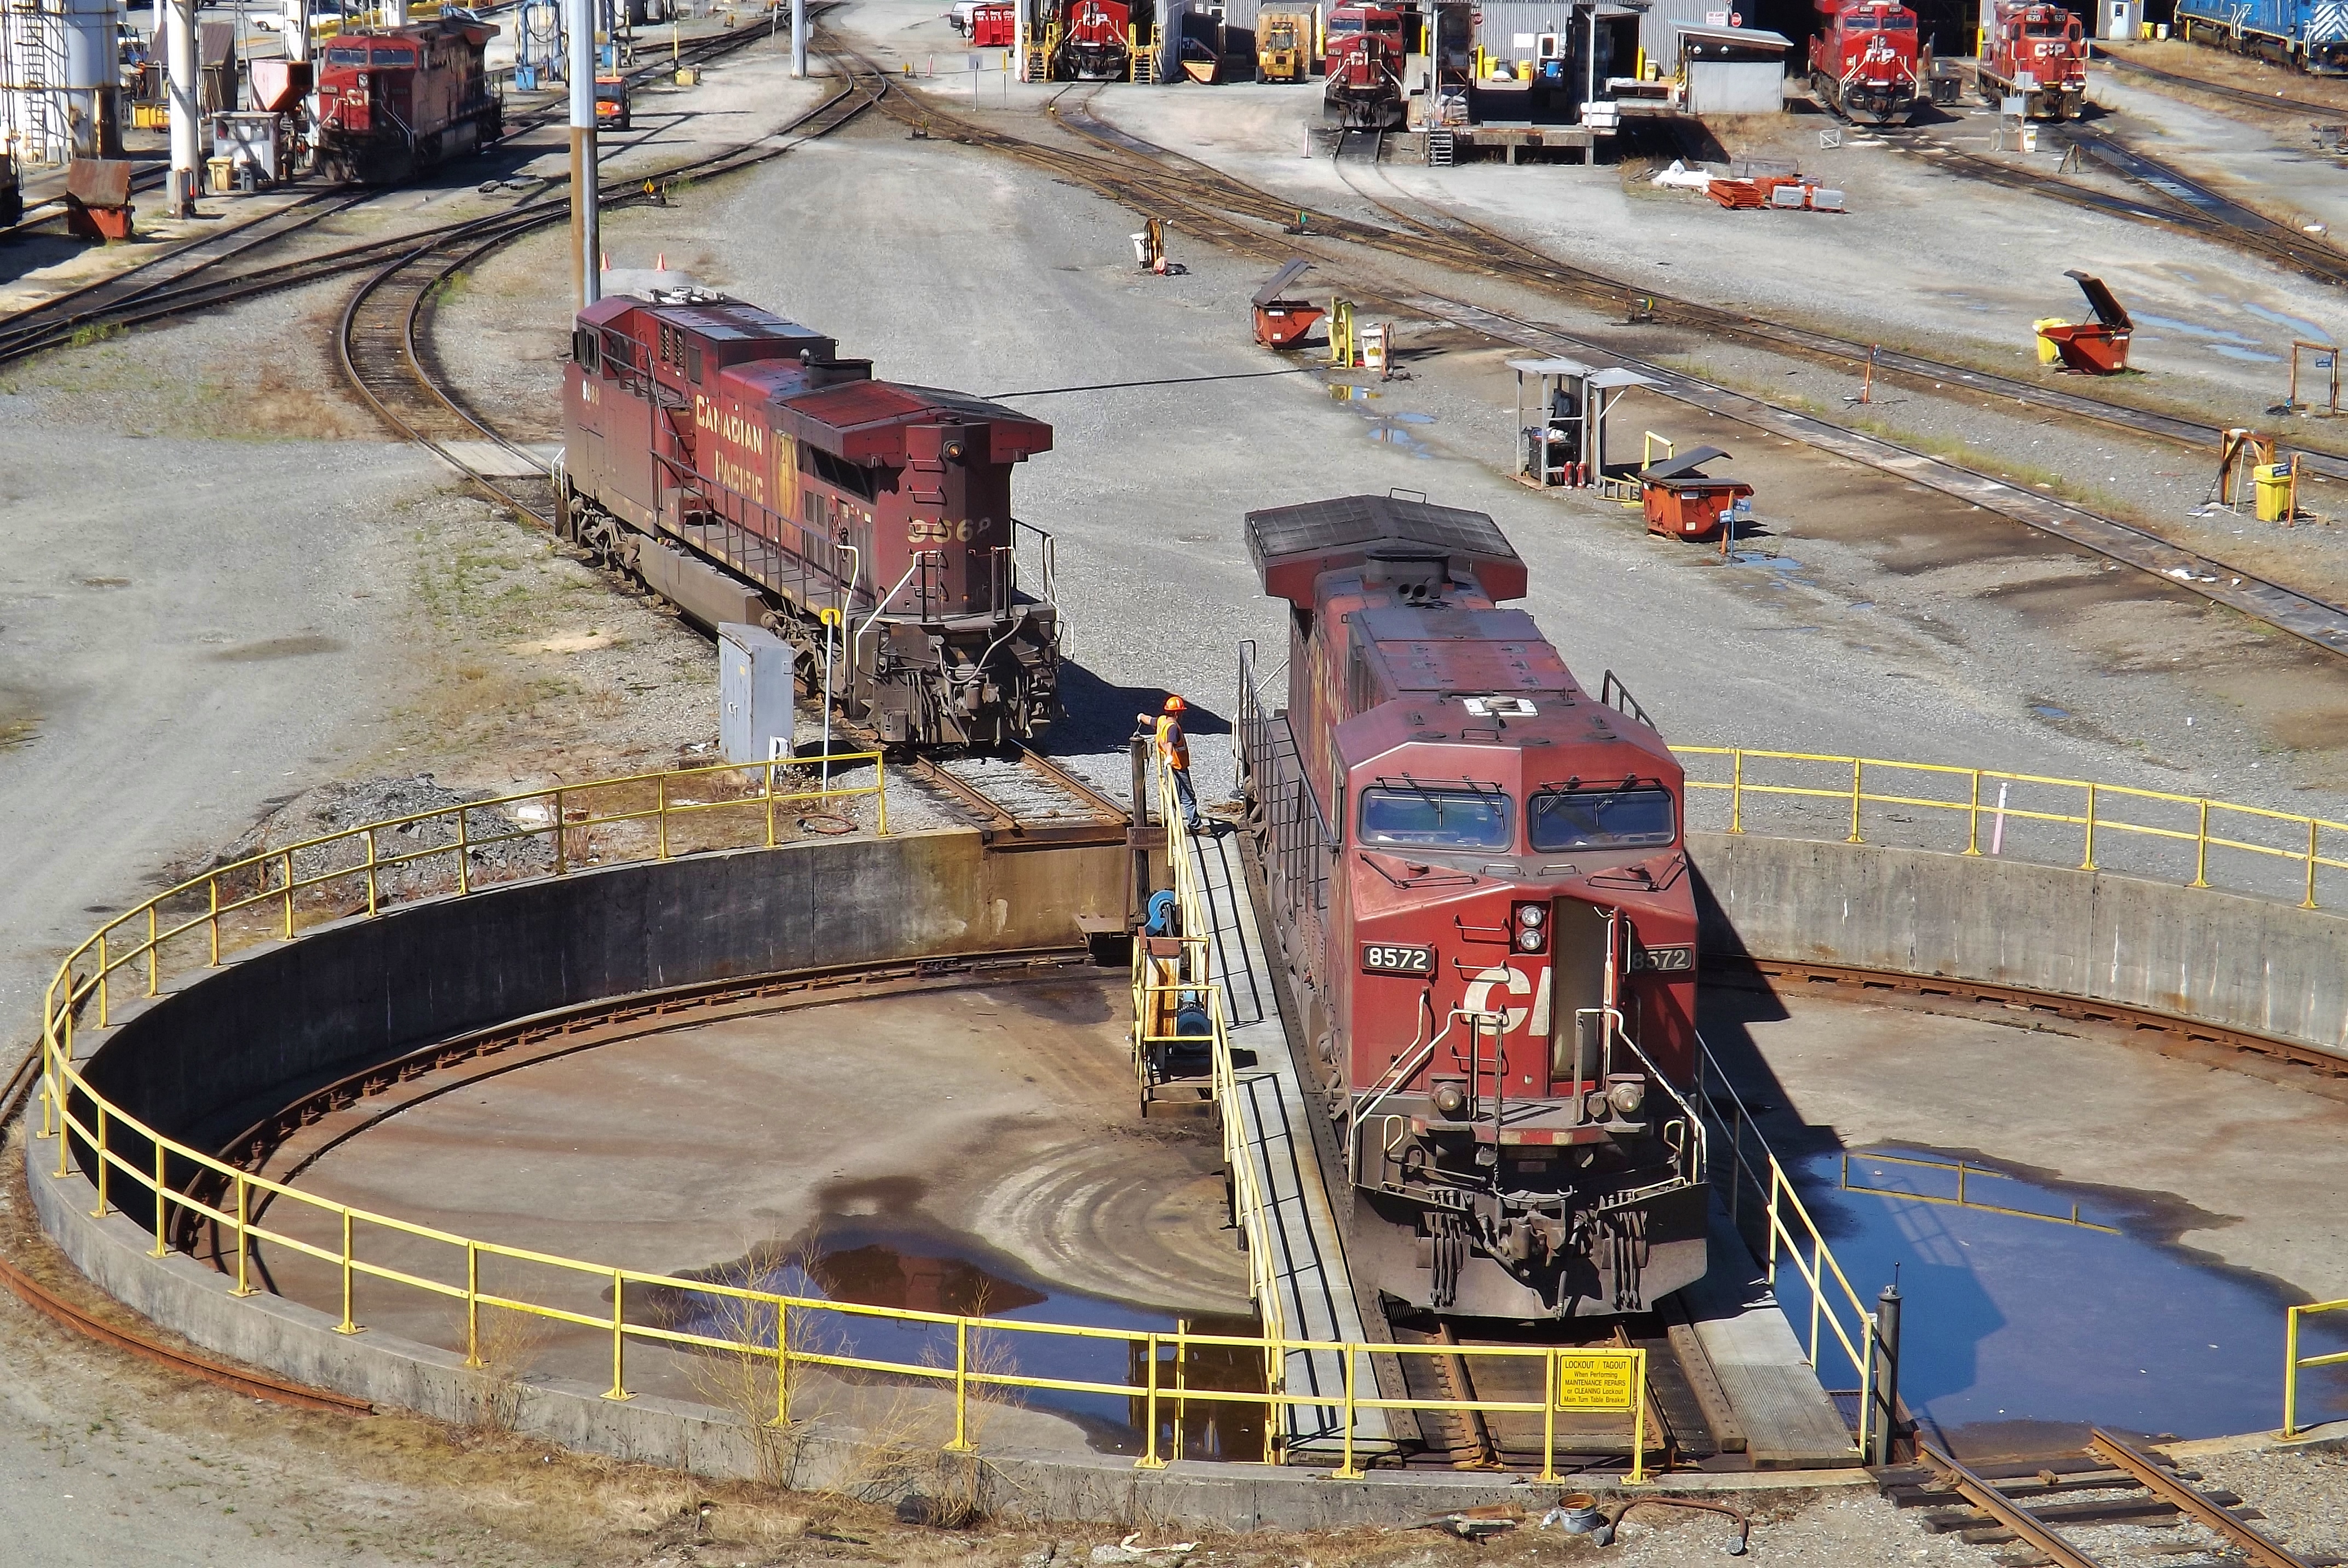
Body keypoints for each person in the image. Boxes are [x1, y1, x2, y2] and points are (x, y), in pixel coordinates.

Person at [1138, 694, 1206, 833]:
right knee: (1188, 797)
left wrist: (1141, 717)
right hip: (1177, 767)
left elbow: (1149, 720)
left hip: (1167, 767)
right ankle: (1196, 826)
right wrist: (1169, 756)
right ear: (1177, 713)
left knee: (1173, 796)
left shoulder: (1162, 721)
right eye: (1181, 712)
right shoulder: (1173, 727)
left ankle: (1174, 825)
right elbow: (1170, 743)